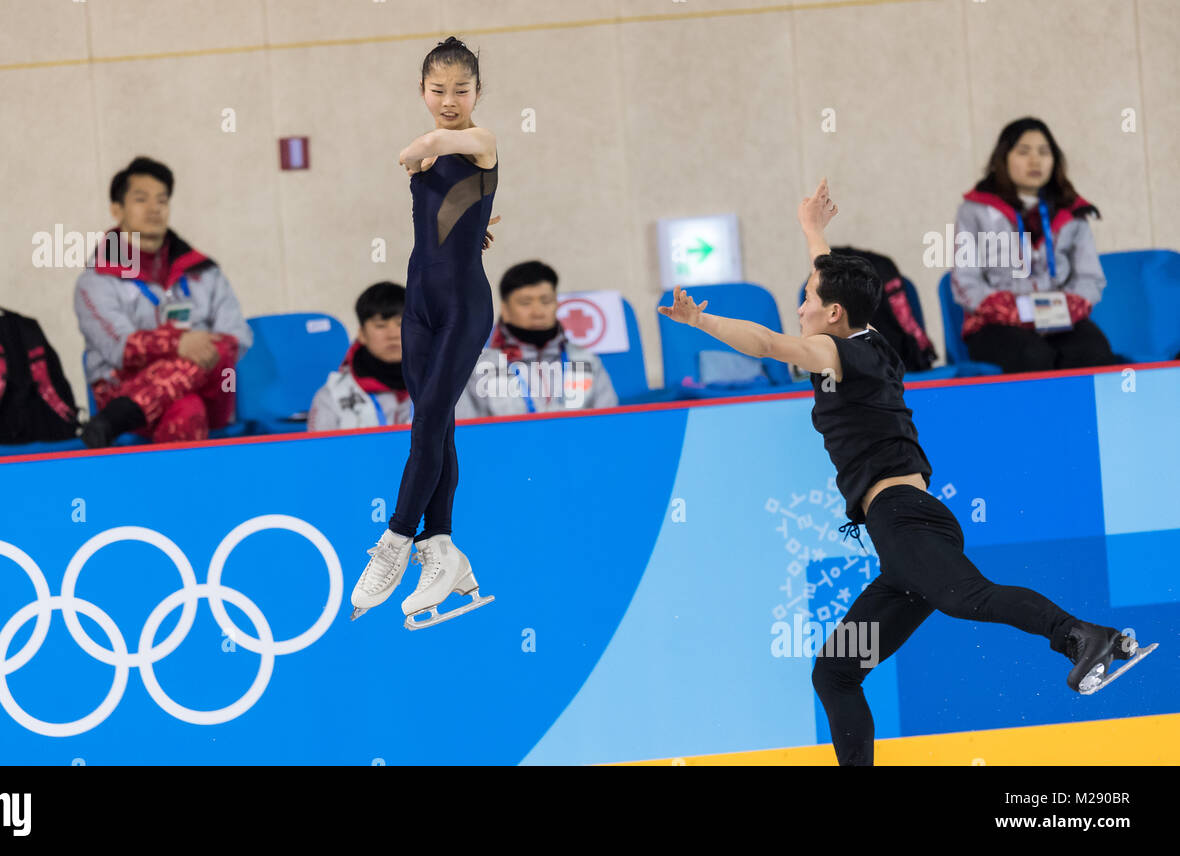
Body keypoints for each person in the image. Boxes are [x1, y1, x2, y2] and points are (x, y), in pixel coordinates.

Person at [660, 178, 1154, 765]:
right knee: (836, 671)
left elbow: (767, 344)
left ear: (832, 312)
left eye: (807, 299)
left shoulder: (832, 352)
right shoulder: (865, 340)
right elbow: (828, 281)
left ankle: (1079, 636)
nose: (800, 307)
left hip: (903, 520)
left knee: (969, 597)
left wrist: (698, 322)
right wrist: (813, 230)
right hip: (905, 539)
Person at [349, 37, 500, 630]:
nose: (448, 100)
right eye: (437, 90)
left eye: (461, 90)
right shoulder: (438, 147)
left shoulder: (481, 142)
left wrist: (427, 145)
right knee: (436, 426)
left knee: (429, 421)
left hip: (465, 305)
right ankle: (442, 549)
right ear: (422, 91)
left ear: (477, 93)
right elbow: (424, 173)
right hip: (419, 305)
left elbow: (422, 148)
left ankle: (394, 541)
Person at [75, 156, 252, 446]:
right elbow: (119, 348)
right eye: (141, 199)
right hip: (123, 387)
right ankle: (184, 493)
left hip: (210, 391)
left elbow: (238, 338)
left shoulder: (204, 272)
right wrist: (178, 345)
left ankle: (120, 416)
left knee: (221, 346)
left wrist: (190, 350)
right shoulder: (96, 281)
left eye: (162, 200)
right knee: (186, 408)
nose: (155, 208)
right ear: (116, 209)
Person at [952, 118, 1118, 373]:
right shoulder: (975, 210)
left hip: (1058, 317)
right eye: (1023, 152)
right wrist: (1005, 308)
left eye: (1044, 152)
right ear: (1003, 158)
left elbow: (1090, 277)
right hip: (996, 323)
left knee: (1093, 350)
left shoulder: (1072, 210)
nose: (1035, 161)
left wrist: (1072, 304)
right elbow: (965, 281)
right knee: (1032, 357)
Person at [455, 261, 618, 419]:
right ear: (504, 309)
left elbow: (611, 424)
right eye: (525, 303)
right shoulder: (476, 368)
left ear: (556, 303)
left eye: (546, 301)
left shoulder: (586, 360)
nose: (538, 312)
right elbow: (466, 433)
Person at [308, 282, 412, 431]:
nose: (393, 334)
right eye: (380, 325)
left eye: (401, 323)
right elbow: (318, 452)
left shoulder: (444, 386)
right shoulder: (332, 397)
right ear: (362, 334)